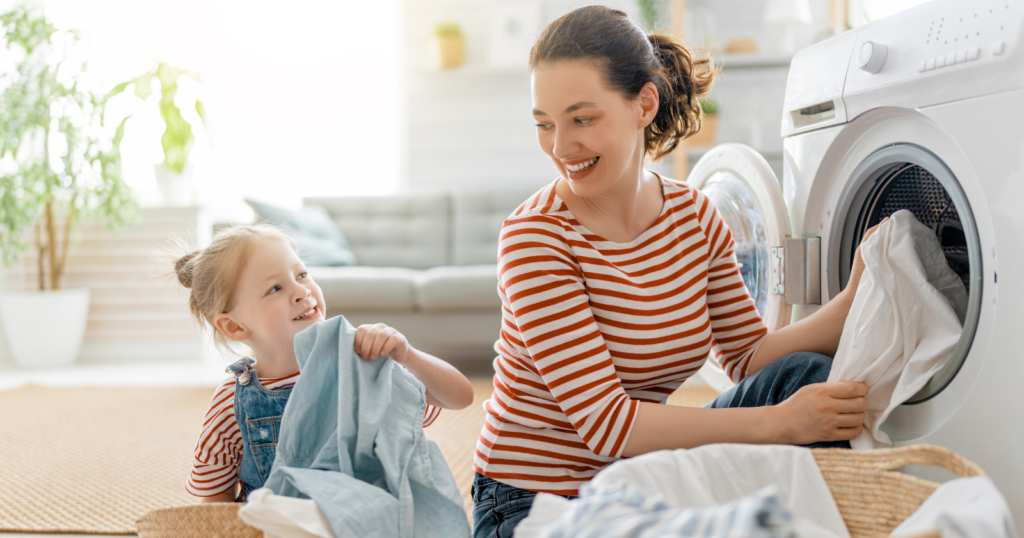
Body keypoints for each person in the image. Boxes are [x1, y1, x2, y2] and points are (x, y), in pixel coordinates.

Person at [471, 6, 878, 538]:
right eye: (544, 124)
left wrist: (854, 299)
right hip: (532, 503)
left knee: (799, 376)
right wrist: (780, 423)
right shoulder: (535, 237)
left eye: (582, 119)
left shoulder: (694, 216)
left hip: (644, 481)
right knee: (785, 416)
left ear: (644, 104)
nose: (560, 147)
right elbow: (608, 425)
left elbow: (747, 357)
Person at [176, 225, 474, 502]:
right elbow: (213, 497)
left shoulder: (363, 363)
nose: (302, 291)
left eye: (302, 275)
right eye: (275, 289)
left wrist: (406, 354)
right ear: (234, 327)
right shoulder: (232, 401)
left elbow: (460, 397)